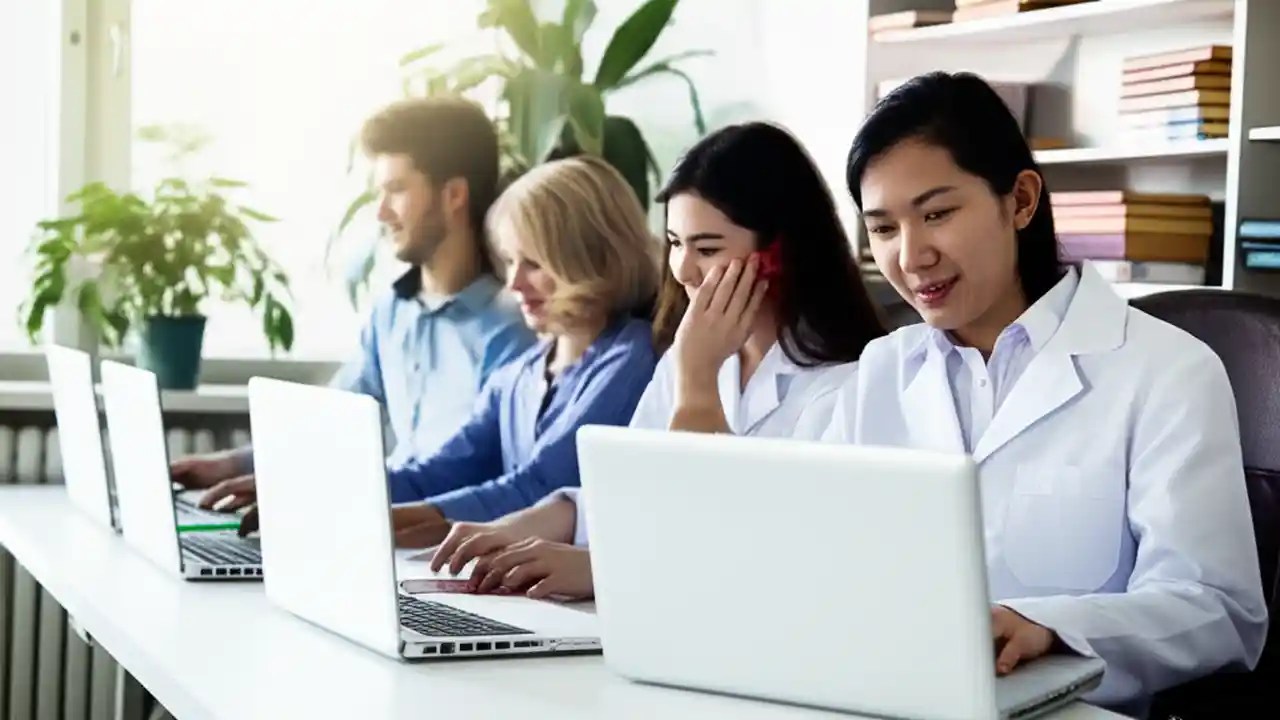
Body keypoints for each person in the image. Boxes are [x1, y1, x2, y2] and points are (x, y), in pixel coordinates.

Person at [821, 71, 1264, 715]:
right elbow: (825, 553)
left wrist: (1047, 626)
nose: (911, 256)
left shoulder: (1167, 370)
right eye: (883, 229)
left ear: (1020, 201)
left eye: (938, 213)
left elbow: (1219, 610)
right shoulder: (882, 370)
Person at [425, 122, 888, 599]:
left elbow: (743, 541)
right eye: (675, 243)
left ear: (777, 254)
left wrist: (697, 386)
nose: (684, 270)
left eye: (707, 248)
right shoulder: (689, 361)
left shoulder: (847, 385)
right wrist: (529, 524)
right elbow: (638, 491)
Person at [169, 97, 536, 533]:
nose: (381, 212)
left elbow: (475, 469)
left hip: (437, 542)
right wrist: (231, 465)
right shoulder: (391, 314)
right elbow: (333, 418)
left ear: (454, 195)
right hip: (375, 526)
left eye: (396, 190)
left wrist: (321, 494)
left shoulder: (514, 327)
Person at [387, 155, 660, 549]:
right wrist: (330, 486)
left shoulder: (632, 358)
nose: (514, 282)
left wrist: (412, 518)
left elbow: (540, 486)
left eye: (533, 263)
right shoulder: (517, 375)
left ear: (591, 259)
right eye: (511, 260)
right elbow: (437, 473)